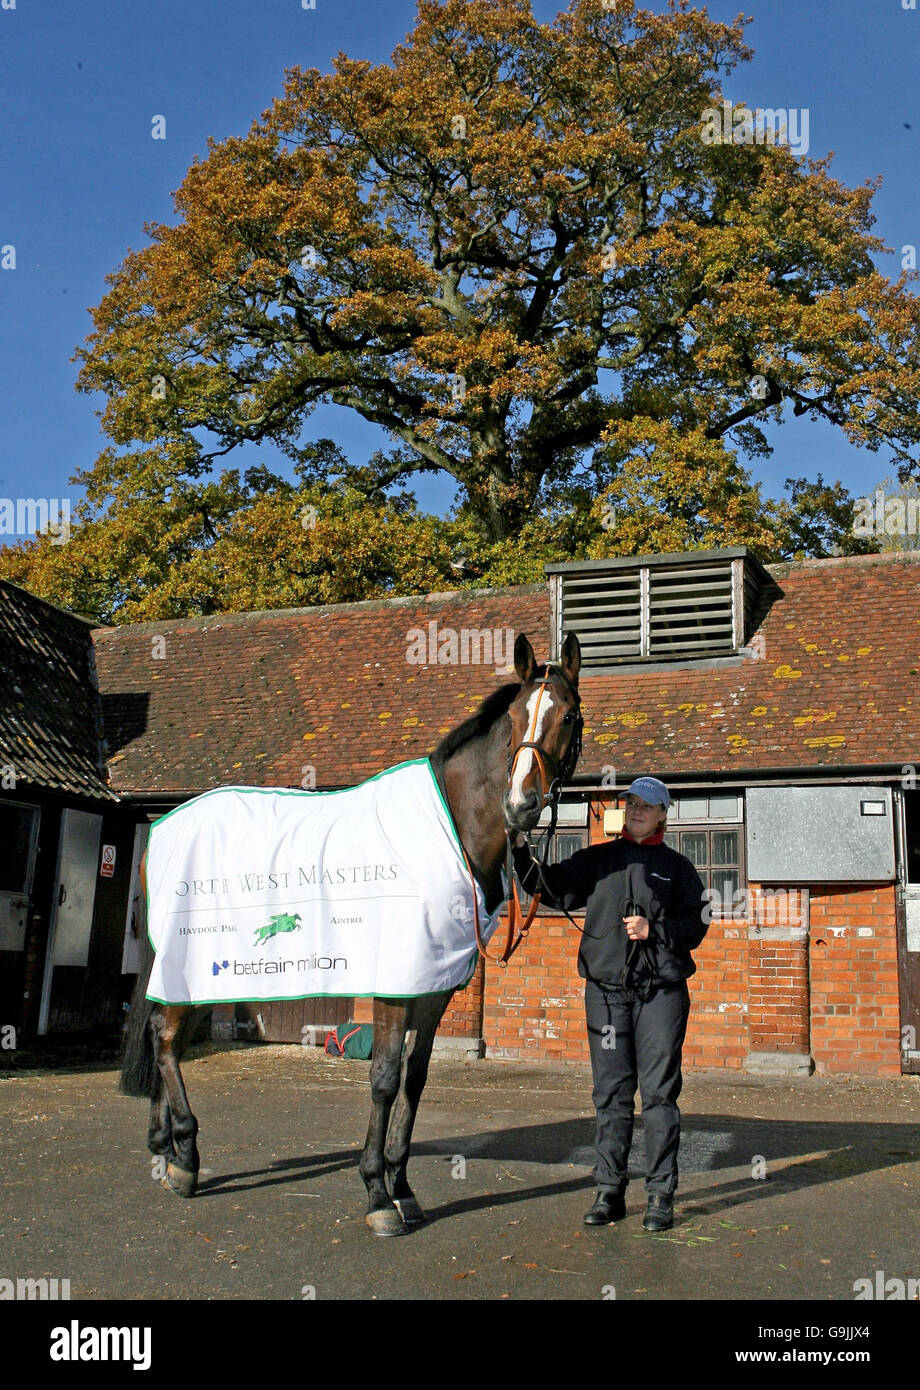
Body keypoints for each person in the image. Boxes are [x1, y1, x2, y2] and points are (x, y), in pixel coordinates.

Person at [512, 775, 708, 1232]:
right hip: (605, 995)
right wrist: (520, 847)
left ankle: (660, 1195)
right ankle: (609, 1191)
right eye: (631, 803)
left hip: (661, 993)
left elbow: (698, 923)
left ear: (663, 814)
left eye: (647, 805)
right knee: (612, 1094)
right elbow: (549, 887)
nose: (637, 810)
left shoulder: (678, 869)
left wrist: (655, 931)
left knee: (659, 1095)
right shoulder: (596, 860)